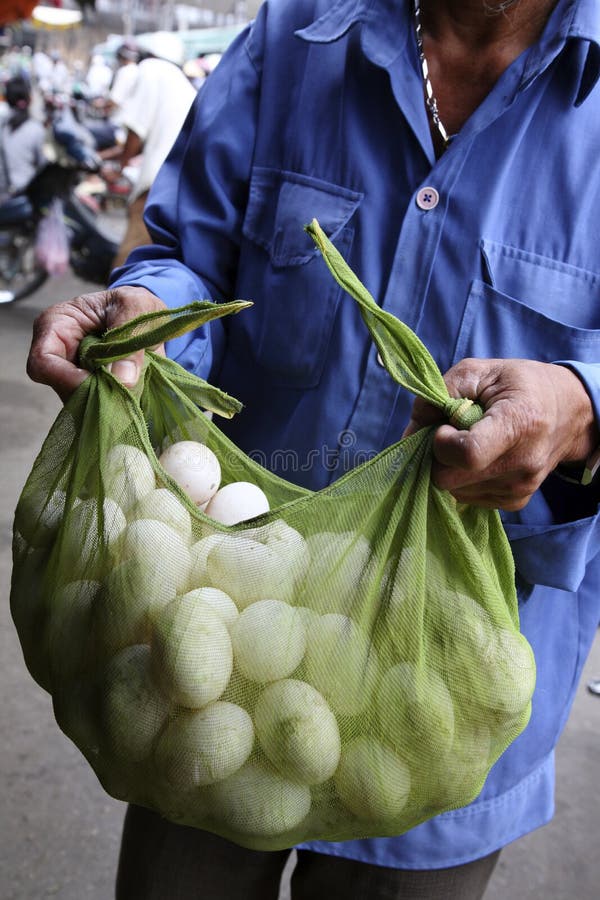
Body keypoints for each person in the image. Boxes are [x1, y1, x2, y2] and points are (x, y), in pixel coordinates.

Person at [26, 1, 600, 898]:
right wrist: (153, 316)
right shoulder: (296, 34)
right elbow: (185, 250)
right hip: (200, 676)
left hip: (437, 726)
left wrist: (582, 406)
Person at [100, 44, 196, 267]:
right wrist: (111, 156)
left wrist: (120, 168)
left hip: (160, 183)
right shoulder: (178, 81)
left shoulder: (151, 69)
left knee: (127, 267)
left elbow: (136, 129)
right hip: (181, 184)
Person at [0, 75, 46, 197]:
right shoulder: (35, 129)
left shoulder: (3, 122)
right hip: (21, 196)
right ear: (29, 99)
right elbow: (42, 165)